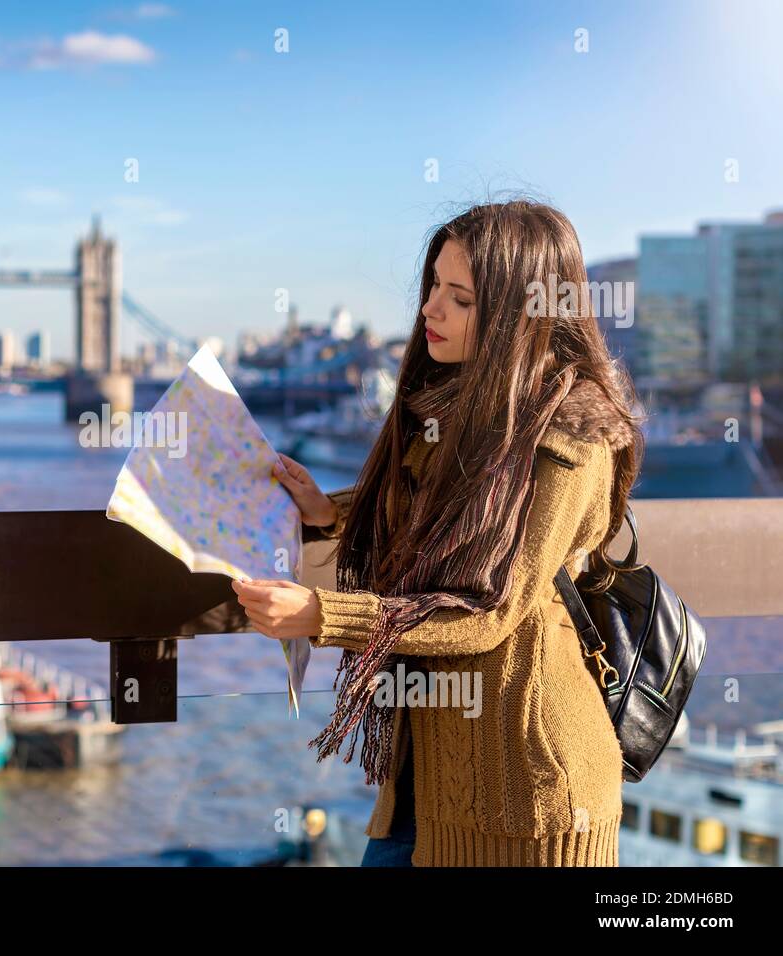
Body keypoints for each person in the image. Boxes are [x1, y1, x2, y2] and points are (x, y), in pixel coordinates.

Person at [233, 199, 642, 867]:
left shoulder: (569, 438)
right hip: (428, 778)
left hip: (524, 795)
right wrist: (328, 513)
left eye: (461, 298)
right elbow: (429, 514)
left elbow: (486, 613)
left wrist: (318, 614)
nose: (430, 309)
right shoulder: (453, 411)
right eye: (433, 288)